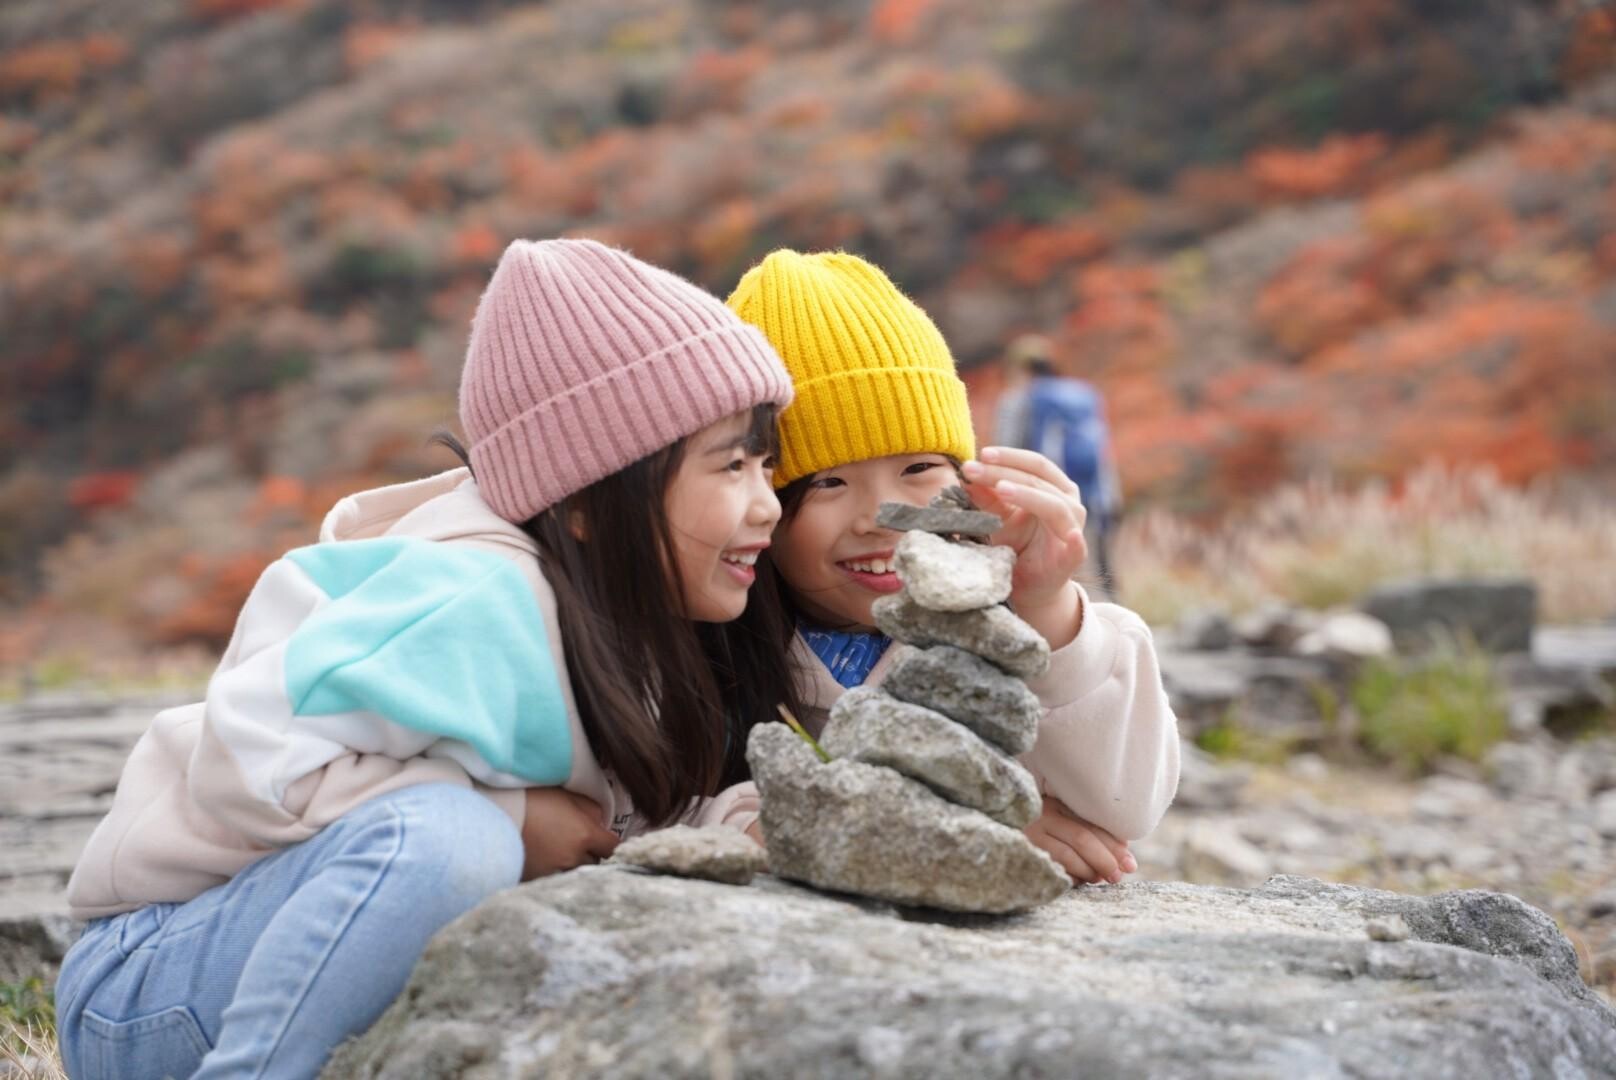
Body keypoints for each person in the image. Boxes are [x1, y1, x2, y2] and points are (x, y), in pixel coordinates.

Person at [52, 238, 799, 1080]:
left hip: (306, 966)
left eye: (765, 462)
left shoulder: (641, 624)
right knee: (455, 842)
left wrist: (737, 829)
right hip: (156, 984)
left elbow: (617, 824)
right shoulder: (470, 599)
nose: (766, 503)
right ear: (591, 498)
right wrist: (513, 821)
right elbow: (248, 761)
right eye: (731, 464)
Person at [726, 250, 1179, 886]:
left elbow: (1127, 803)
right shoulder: (719, 645)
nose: (880, 516)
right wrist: (951, 821)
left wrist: (1047, 609)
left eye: (918, 469)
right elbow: (673, 813)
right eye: (826, 482)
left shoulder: (1006, 626)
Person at [995, 333, 1123, 595]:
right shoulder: (1083, 395)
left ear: (1020, 367)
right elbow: (1102, 451)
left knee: (1051, 569)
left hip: (1043, 498)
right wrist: (1112, 496)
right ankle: (1114, 618)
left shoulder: (1017, 399)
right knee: (1099, 561)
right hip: (1097, 495)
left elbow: (1004, 452)